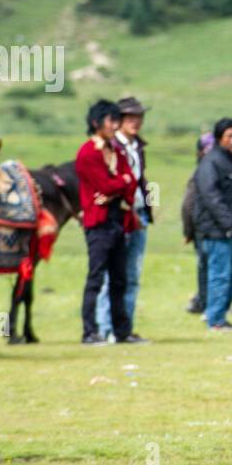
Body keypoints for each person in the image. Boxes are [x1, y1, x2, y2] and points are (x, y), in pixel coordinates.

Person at [75, 99, 146, 345]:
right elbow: (105, 184)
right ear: (97, 123)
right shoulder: (87, 153)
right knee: (96, 277)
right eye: (111, 120)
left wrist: (117, 187)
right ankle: (89, 331)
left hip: (118, 218)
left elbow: (130, 183)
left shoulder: (116, 151)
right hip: (98, 222)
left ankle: (122, 331)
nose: (115, 125)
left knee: (119, 278)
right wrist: (120, 182)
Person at [96, 95, 151, 339]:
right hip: (117, 215)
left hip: (137, 214)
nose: (135, 121)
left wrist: (146, 208)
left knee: (132, 275)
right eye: (130, 117)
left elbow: (140, 181)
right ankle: (106, 326)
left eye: (139, 116)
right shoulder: (110, 148)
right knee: (112, 275)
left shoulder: (137, 147)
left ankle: (123, 328)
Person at [193, 118, 232, 332]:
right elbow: (210, 196)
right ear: (218, 138)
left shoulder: (231, 161)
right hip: (217, 229)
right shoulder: (211, 162)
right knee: (220, 273)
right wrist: (228, 224)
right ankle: (215, 320)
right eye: (229, 136)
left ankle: (217, 311)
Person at [182, 131, 214, 316]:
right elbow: (188, 205)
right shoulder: (200, 175)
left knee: (211, 267)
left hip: (209, 228)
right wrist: (188, 231)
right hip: (203, 228)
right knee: (207, 267)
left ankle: (209, 302)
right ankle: (204, 302)